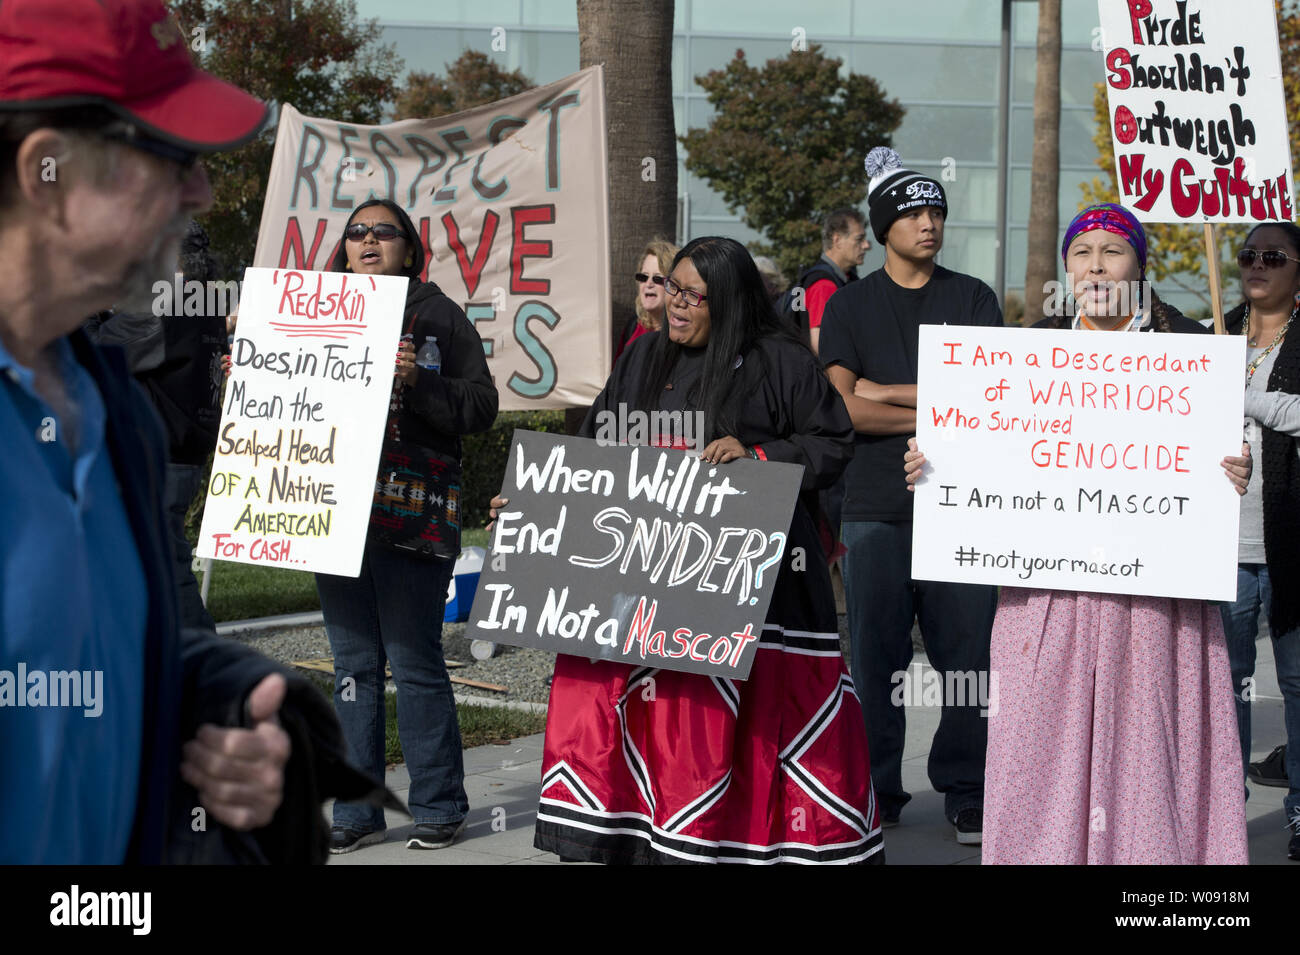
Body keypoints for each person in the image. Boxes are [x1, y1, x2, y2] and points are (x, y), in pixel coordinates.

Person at [0, 0, 360, 863]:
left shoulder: (109, 401)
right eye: (167, 153)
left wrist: (233, 712)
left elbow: (118, 660)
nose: (199, 188)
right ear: (47, 169)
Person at [498, 236, 881, 864]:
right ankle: (643, 836)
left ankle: (735, 843)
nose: (673, 304)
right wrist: (534, 503)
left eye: (692, 295)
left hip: (756, 591)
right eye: (671, 288)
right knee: (654, 718)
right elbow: (595, 448)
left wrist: (760, 456)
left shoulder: (779, 362)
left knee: (739, 726)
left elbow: (832, 442)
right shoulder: (643, 358)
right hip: (640, 580)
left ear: (728, 302)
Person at [905, 203, 1251, 864]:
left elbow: (1213, 470)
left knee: (1146, 742)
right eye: (1082, 251)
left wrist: (1235, 468)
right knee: (1039, 740)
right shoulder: (1026, 354)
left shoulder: (1192, 352)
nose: (1095, 264)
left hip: (1156, 601)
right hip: (1045, 600)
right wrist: (933, 464)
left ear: (1139, 264)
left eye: (1112, 250)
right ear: (1066, 266)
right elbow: (983, 457)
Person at [818, 146, 1001, 844]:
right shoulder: (850, 305)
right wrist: (938, 406)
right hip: (874, 505)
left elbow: (983, 403)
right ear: (884, 224)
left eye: (938, 212)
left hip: (963, 506)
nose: (930, 223)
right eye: (915, 212)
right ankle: (877, 787)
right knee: (875, 655)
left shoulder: (974, 297)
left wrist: (884, 391)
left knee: (967, 657)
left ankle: (966, 788)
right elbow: (842, 410)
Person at [317, 197, 498, 853]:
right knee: (353, 665)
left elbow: (481, 404)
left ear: (408, 249)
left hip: (414, 514)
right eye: (355, 233)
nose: (367, 241)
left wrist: (419, 379)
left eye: (383, 232)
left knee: (414, 658)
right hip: (331, 512)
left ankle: (439, 804)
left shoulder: (439, 316)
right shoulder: (314, 311)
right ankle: (358, 810)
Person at [84, 220, 227, 632]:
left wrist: (90, 310)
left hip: (156, 452)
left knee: (163, 566)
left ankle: (199, 661)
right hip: (180, 450)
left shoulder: (164, 300)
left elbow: (99, 354)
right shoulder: (204, 297)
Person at [1222, 220, 1300, 860]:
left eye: (1274, 256)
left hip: (1293, 540)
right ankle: (1225, 816)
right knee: (1228, 683)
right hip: (1222, 544)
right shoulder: (1213, 333)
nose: (1257, 264)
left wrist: (1252, 399)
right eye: (1247, 254)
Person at [781, 207, 869, 356]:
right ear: (837, 240)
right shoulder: (824, 285)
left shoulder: (842, 278)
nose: (866, 245)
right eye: (859, 239)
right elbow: (821, 347)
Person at [615, 237, 679, 363]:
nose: (648, 283)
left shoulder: (681, 336)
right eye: (643, 277)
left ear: (674, 286)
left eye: (657, 278)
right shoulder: (633, 327)